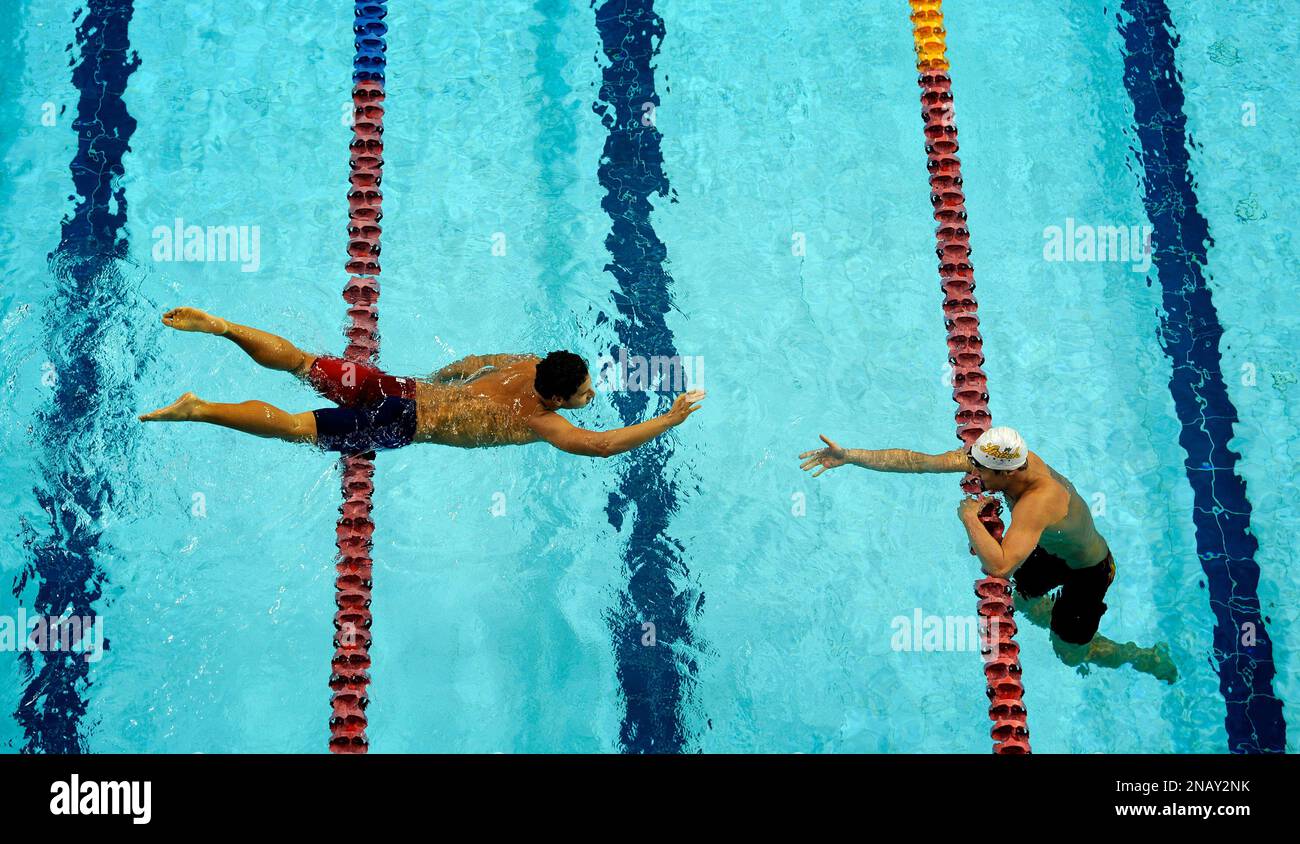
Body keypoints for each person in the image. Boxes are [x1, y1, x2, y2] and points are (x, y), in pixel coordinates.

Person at [798, 426, 1176, 683]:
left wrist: (968, 518)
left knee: (1068, 654)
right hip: (1049, 549)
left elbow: (999, 566)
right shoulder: (1003, 459)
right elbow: (920, 462)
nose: (975, 476)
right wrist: (850, 456)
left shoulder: (1038, 502)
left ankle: (1140, 657)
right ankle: (1058, 619)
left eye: (983, 473)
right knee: (1026, 602)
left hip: (1088, 571)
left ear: (1009, 474)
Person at [139, 307, 704, 457]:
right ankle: (200, 408)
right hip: (401, 422)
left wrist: (434, 382)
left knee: (304, 363)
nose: (590, 397)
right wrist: (672, 419)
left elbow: (469, 362)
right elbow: (603, 445)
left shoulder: (525, 361)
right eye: (583, 394)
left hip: (403, 388)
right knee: (293, 426)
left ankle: (220, 325)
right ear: (556, 397)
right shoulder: (540, 419)